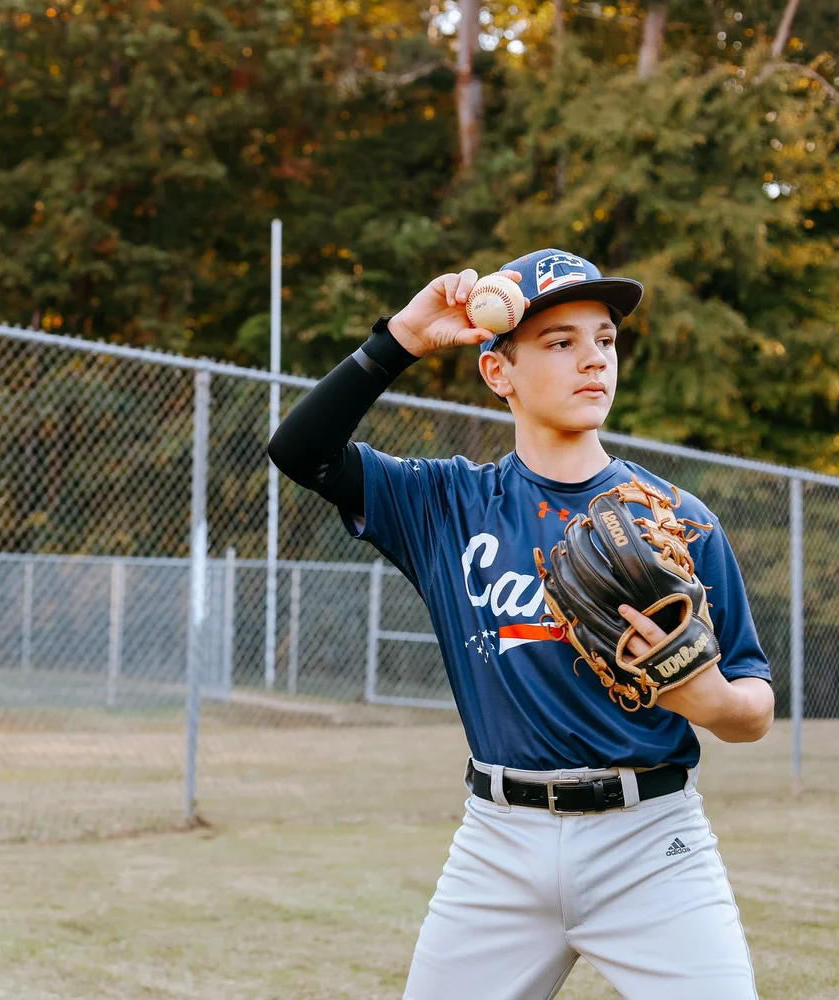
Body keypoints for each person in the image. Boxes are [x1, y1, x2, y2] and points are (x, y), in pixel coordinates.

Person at [267, 249, 775, 999]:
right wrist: (399, 339)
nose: (593, 360)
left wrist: (712, 703)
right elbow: (300, 452)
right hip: (499, 842)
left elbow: (754, 707)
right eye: (559, 341)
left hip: (650, 840)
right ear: (498, 371)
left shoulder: (676, 520)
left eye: (603, 339)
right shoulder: (443, 504)